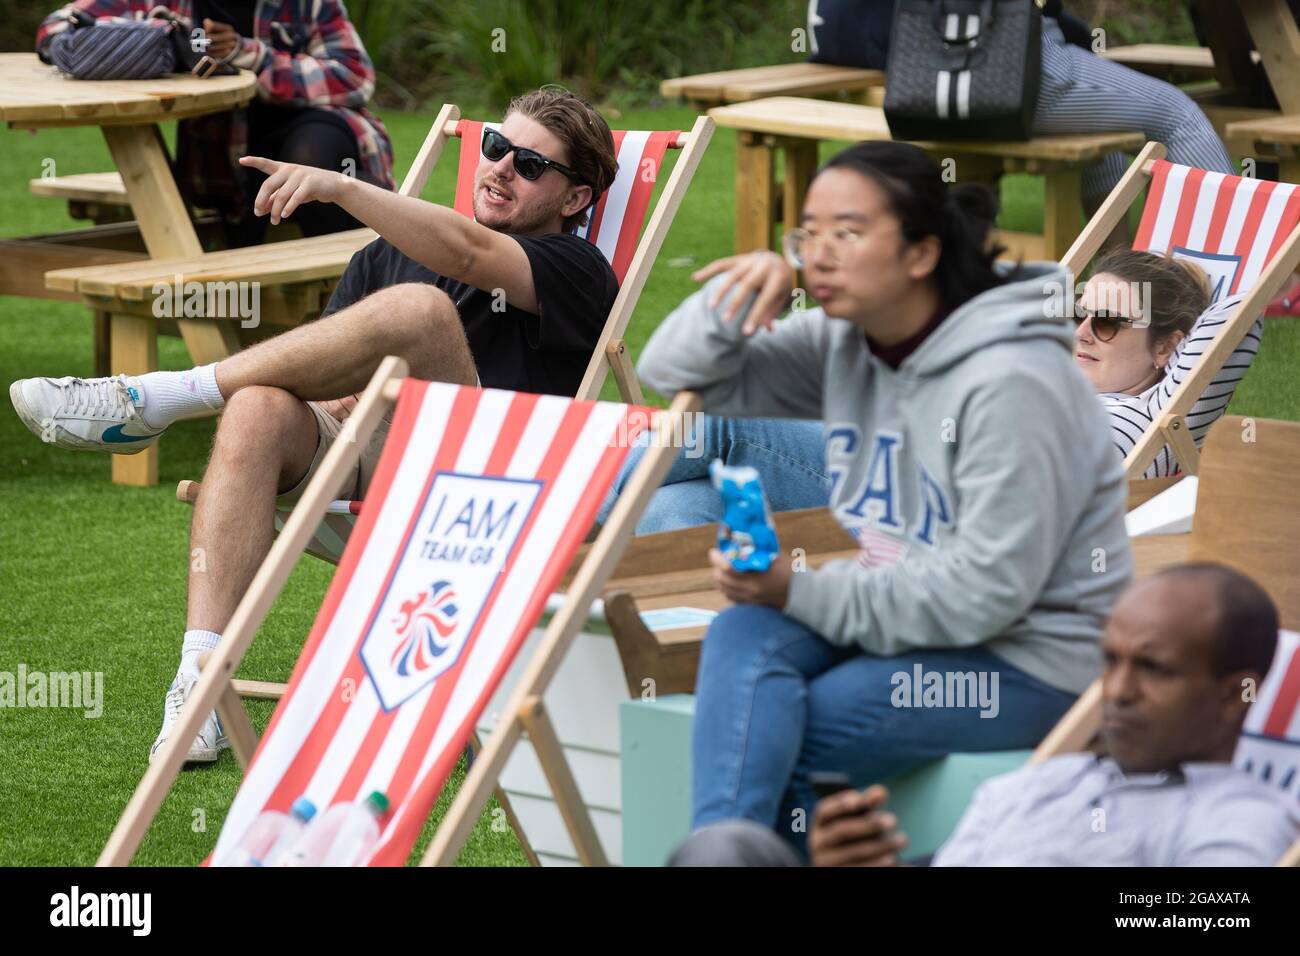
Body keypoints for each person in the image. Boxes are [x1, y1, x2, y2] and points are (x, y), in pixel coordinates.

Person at [8, 88, 620, 764]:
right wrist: (336, 409)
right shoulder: (387, 256)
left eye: (530, 164)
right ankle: (201, 684)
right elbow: (325, 389)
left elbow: (470, 255)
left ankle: (157, 398)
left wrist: (341, 188)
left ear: (574, 199)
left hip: (488, 482)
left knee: (419, 310)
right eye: (495, 147)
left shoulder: (577, 269)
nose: (501, 168)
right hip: (380, 460)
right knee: (258, 406)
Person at [637, 141, 1133, 854]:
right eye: (807, 233)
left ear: (921, 253)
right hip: (912, 619)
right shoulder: (848, 341)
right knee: (742, 631)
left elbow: (983, 595)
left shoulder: (1015, 383)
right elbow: (674, 370)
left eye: (848, 231)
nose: (819, 253)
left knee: (810, 721)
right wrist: (740, 294)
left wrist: (797, 592)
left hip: (1032, 659)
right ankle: (726, 849)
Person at [668, 564, 1300, 867]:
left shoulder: (1240, 816)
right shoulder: (1041, 784)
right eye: (1110, 663)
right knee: (726, 849)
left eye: (1153, 669)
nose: (1117, 692)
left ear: (1233, 694)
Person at [602, 245, 1261, 532]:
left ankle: (555, 500)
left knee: (731, 416)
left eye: (1111, 321)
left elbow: (1243, 312)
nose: (1084, 329)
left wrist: (1184, 271)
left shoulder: (1153, 413)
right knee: (682, 511)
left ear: (1172, 346)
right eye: (1079, 311)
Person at [36, 0, 396, 244]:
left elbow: (353, 77)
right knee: (270, 191)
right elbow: (55, 28)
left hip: (315, 125)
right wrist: (146, 41)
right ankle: (398, 264)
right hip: (225, 153)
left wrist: (248, 54)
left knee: (309, 163)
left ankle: (372, 287)